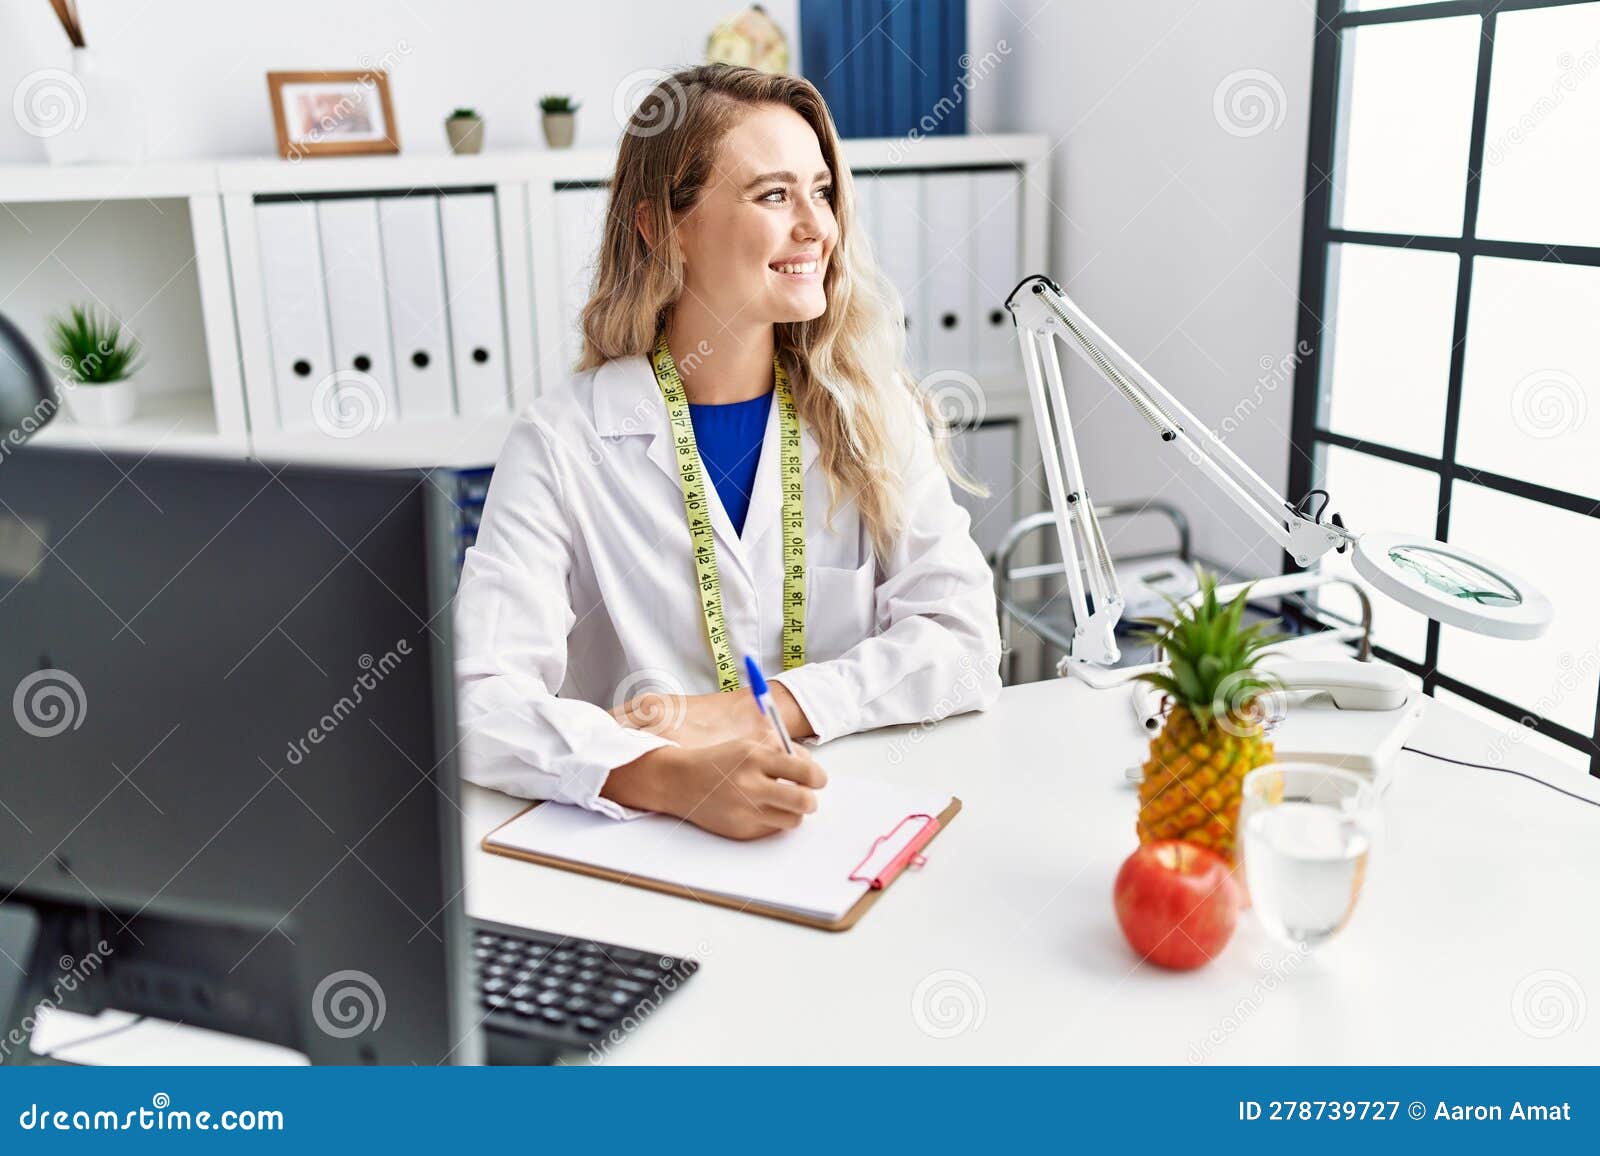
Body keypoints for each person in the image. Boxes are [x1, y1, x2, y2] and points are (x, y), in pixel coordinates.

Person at [454, 63, 1001, 840]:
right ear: (662, 227)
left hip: (842, 826)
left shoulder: (874, 413)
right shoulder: (561, 441)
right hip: (641, 838)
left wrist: (756, 710)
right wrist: (666, 777)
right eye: (773, 195)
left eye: (821, 191)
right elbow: (479, 697)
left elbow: (967, 643)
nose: (817, 227)